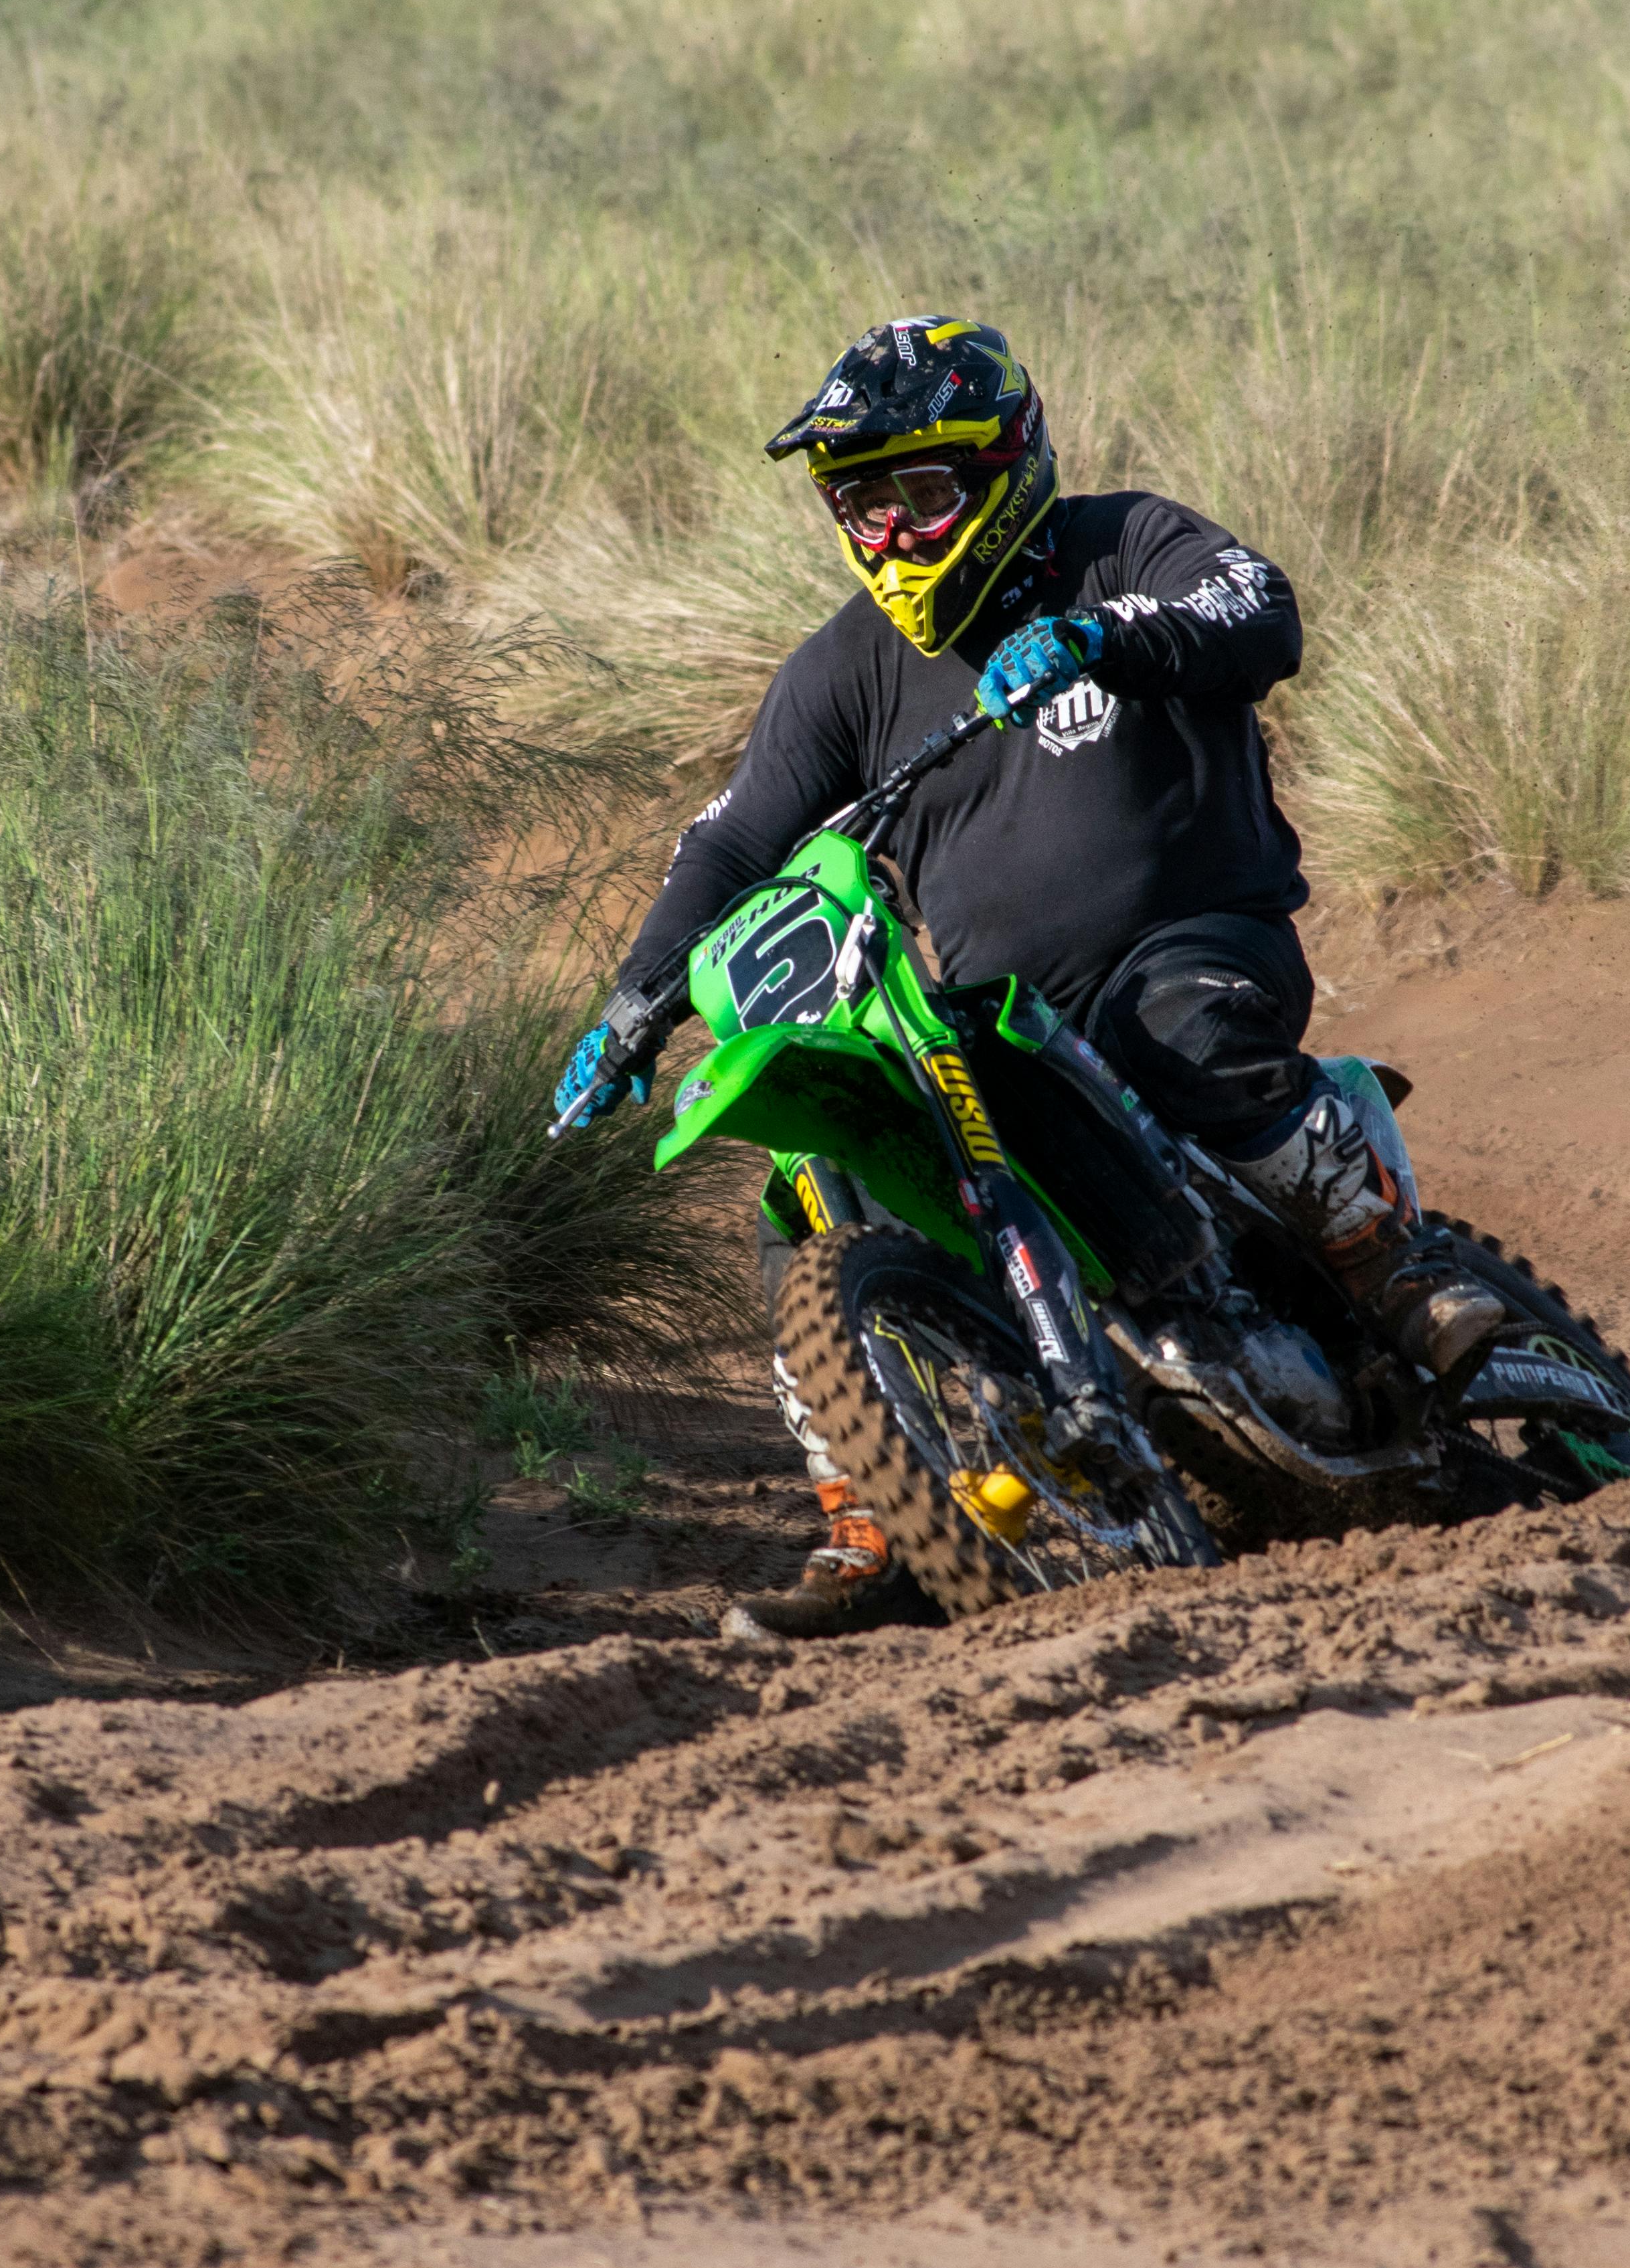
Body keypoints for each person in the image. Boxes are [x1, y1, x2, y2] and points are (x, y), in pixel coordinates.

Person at [553, 317, 1508, 1631]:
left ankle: (1385, 1264)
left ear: (1007, 465)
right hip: (1002, 1024)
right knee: (803, 1195)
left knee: (1175, 1022)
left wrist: (1107, 636)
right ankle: (873, 1518)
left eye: (923, 496)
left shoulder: (1124, 543)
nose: (890, 534)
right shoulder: (841, 669)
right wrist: (629, 1004)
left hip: (1198, 942)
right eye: (860, 507)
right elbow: (728, 838)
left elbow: (1259, 608)